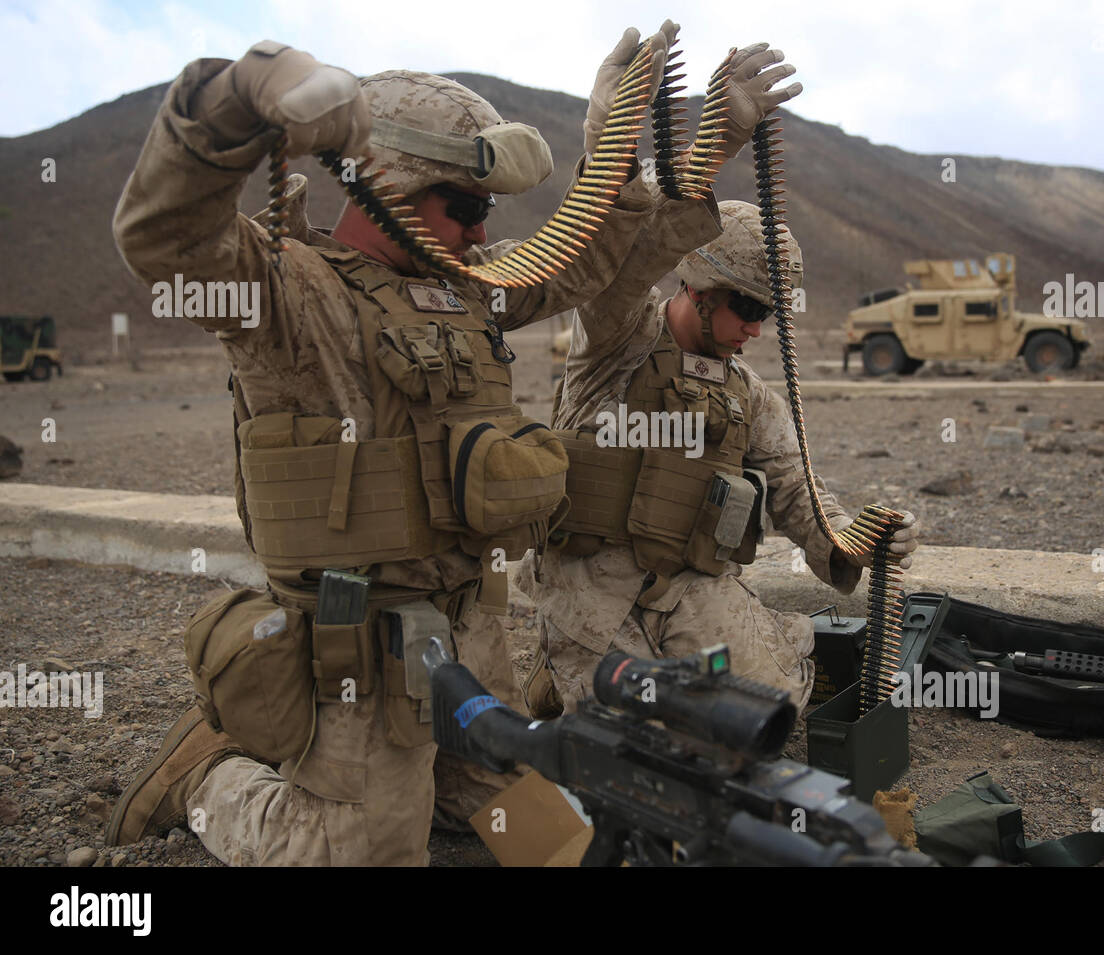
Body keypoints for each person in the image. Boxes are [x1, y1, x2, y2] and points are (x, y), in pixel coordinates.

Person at [103, 28, 699, 866]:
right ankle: (211, 778)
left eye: (486, 208)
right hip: (362, 648)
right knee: (366, 851)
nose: (480, 224)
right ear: (390, 182)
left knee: (534, 831)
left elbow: (578, 267)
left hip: (469, 631)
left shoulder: (467, 291)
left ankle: (447, 777)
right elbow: (166, 243)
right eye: (463, 204)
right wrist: (227, 100)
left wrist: (613, 148)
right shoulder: (290, 294)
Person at [522, 200, 919, 715]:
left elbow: (797, 488)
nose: (755, 330)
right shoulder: (615, 339)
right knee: (640, 745)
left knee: (759, 716)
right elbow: (621, 265)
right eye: (748, 310)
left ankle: (751, 642)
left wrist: (855, 539)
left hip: (689, 585)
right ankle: (556, 675)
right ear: (699, 287)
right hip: (592, 587)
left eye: (767, 314)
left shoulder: (746, 393)